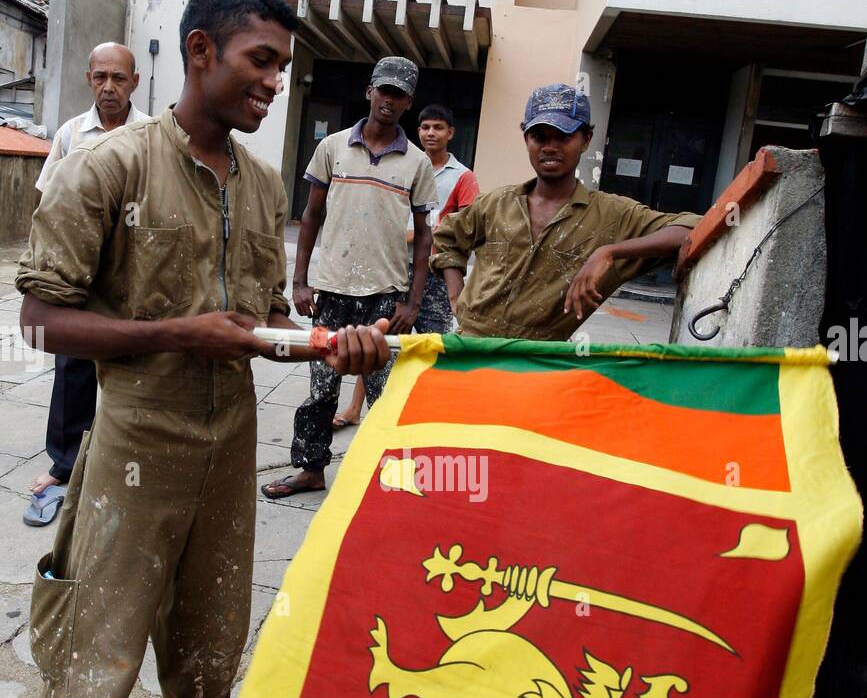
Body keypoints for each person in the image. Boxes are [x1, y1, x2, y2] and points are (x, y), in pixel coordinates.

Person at [7, 0, 389, 698]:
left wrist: (330, 343)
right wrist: (181, 329)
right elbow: (40, 321)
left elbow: (263, 319)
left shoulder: (260, 185)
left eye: (283, 69)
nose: (274, 84)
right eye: (261, 62)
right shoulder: (113, 166)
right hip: (136, 446)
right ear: (201, 50)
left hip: (230, 450)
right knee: (98, 653)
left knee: (214, 641)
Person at [262, 56, 436, 500]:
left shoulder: (417, 163)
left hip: (385, 296)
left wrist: (411, 302)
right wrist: (299, 281)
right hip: (332, 292)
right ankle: (310, 469)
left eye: (398, 94)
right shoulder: (334, 147)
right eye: (383, 90)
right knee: (321, 390)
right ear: (369, 91)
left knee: (384, 394)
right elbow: (311, 215)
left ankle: (384, 479)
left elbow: (423, 239)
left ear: (408, 102)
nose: (389, 101)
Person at [431, 83, 701, 339]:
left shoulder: (611, 215)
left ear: (586, 140)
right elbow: (448, 238)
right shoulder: (497, 203)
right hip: (471, 349)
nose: (550, 147)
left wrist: (608, 252)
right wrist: (456, 298)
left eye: (563, 136)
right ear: (526, 138)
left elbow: (691, 227)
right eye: (539, 137)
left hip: (540, 361)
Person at [24, 44, 148, 527]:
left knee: (135, 367)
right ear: (88, 78)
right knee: (72, 365)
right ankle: (65, 462)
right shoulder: (70, 135)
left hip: (132, 273)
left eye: (119, 78)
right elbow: (45, 203)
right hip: (78, 271)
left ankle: (128, 466)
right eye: (100, 77)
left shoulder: (150, 136)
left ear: (134, 82)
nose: (109, 87)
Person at [333, 102, 480, 430]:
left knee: (434, 347)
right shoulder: (404, 163)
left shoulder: (463, 177)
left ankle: (433, 417)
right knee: (378, 340)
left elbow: (466, 225)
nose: (431, 133)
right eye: (426, 127)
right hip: (394, 270)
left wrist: (417, 234)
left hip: (436, 278)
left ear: (451, 133)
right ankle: (355, 408)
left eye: (438, 128)